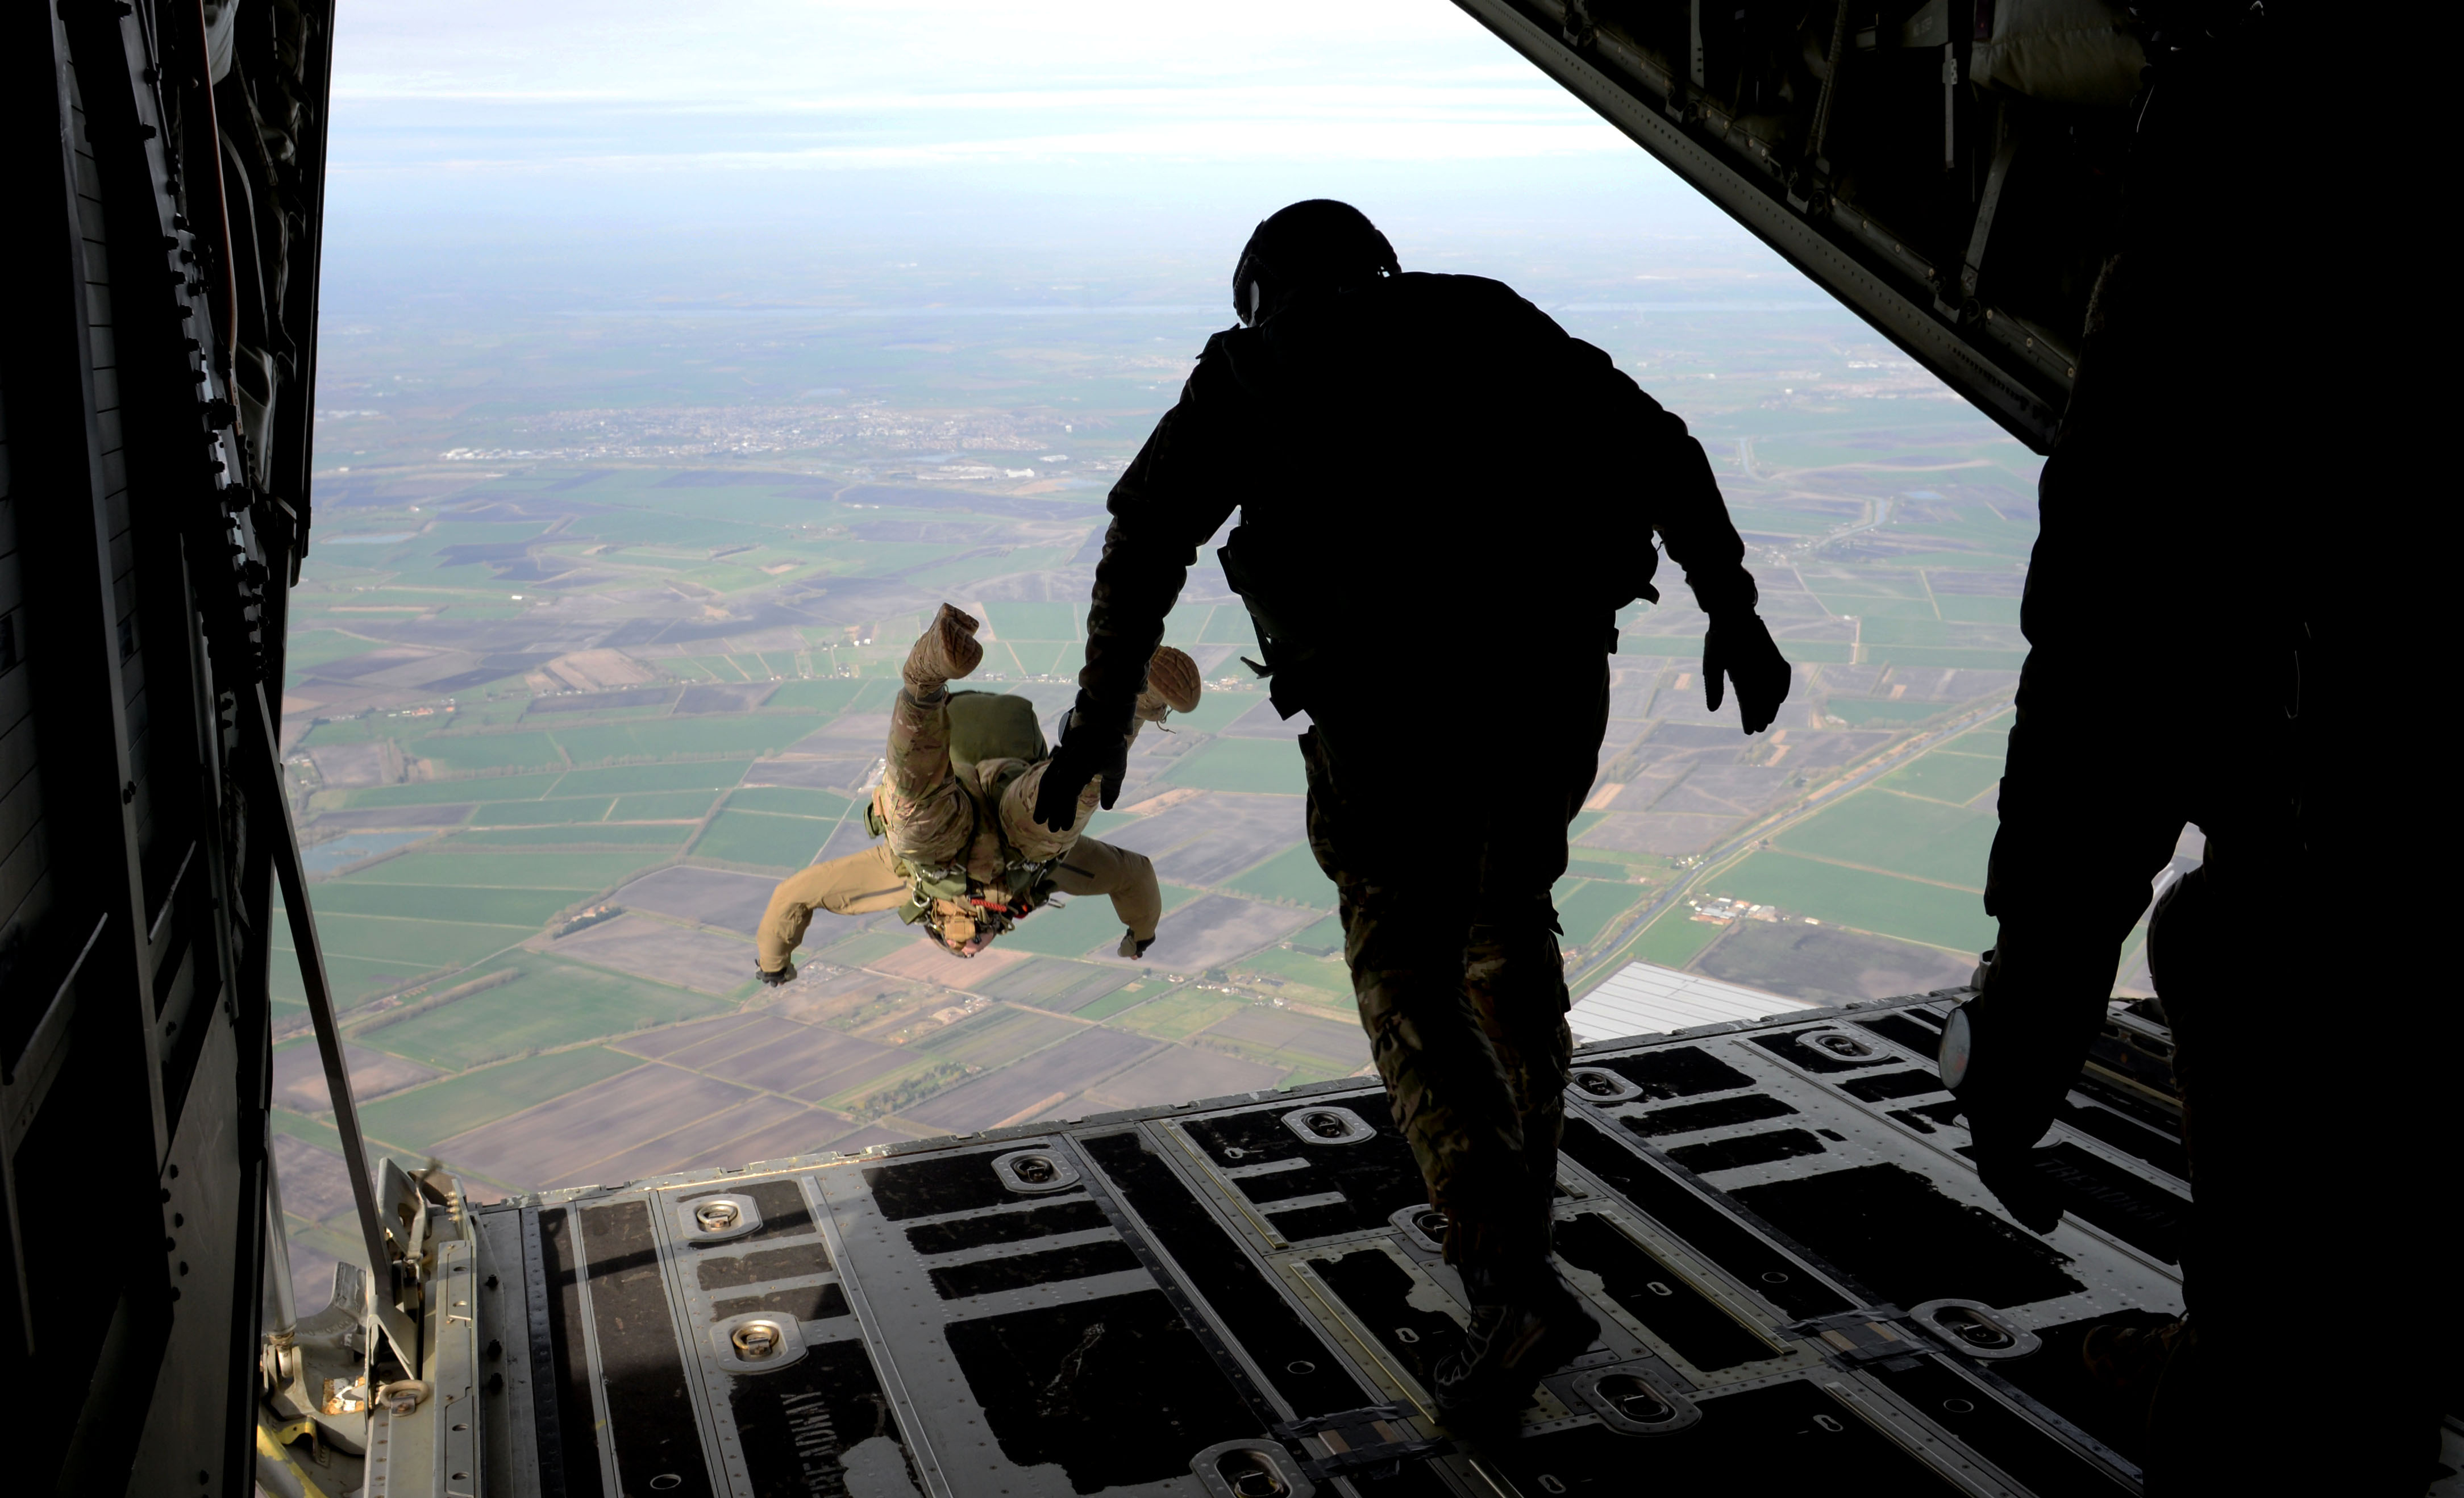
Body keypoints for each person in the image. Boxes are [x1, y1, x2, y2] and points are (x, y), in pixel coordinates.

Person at [1031, 200, 1793, 1425]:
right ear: (1376, 266)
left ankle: (1506, 1280)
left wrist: (1092, 724)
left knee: (1406, 969)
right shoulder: (1485, 318)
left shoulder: (1249, 371)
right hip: (1550, 692)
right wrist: (1732, 606)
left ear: (1261, 292)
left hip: (1391, 718)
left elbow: (1145, 542)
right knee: (1508, 922)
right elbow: (1657, 446)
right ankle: (1520, 1212)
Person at [1936, 9, 2447, 1492]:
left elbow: (2117, 668)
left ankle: (2274, 1384)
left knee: (2297, 1351)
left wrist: (2025, 1028)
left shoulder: (2230, 240)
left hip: (2358, 910)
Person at [752, 605, 1201, 979]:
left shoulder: (902, 879)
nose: (969, 948)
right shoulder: (1045, 875)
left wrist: (774, 964)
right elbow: (1134, 876)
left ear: (935, 926)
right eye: (974, 950)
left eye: (958, 948)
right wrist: (1140, 935)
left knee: (917, 813)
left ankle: (924, 685)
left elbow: (794, 895)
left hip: (961, 815)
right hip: (1013, 806)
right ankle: (1138, 698)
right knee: (1068, 799)